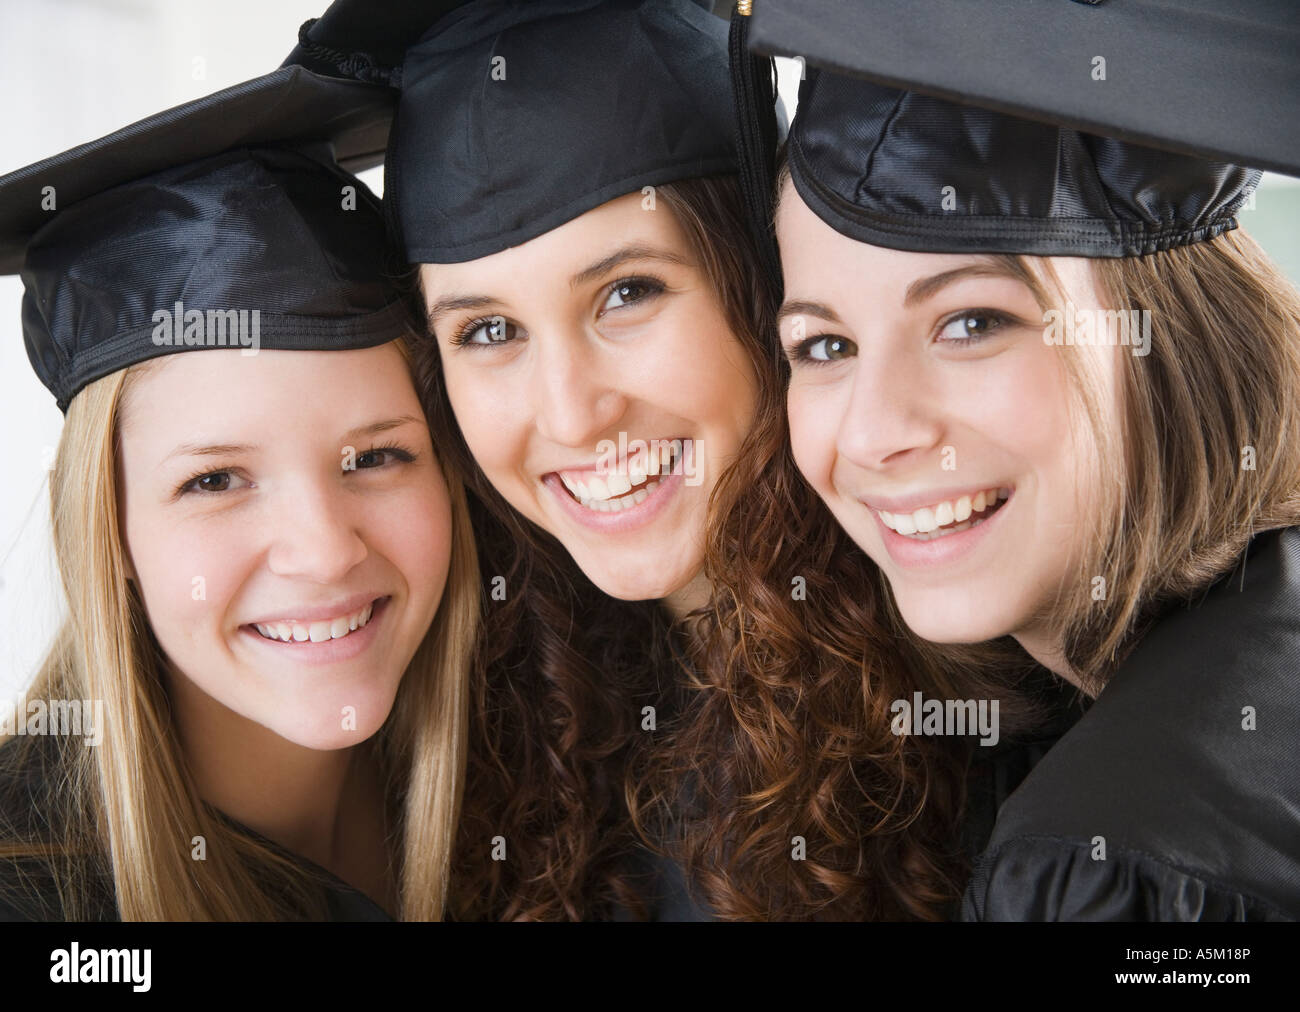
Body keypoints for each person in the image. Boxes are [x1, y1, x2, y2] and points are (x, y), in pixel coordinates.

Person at [364, 0, 1016, 919]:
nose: (571, 412)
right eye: (489, 330)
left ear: (761, 282)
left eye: (627, 292)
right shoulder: (497, 728)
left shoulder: (987, 717)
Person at [755, 3, 1300, 919]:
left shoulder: (1106, 871)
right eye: (823, 347)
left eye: (972, 323)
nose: (877, 430)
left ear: (1168, 341)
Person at [0, 67, 479, 921]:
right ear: (108, 530)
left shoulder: (553, 784)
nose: (326, 548)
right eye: (214, 479)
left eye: (376, 456)